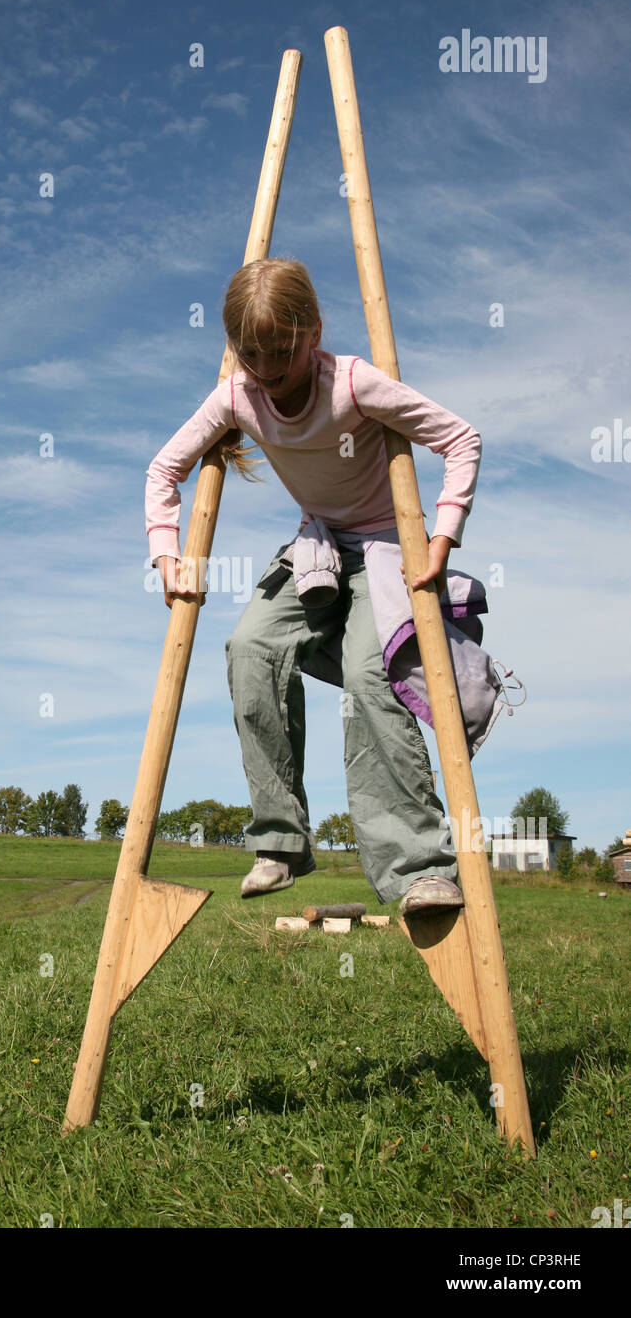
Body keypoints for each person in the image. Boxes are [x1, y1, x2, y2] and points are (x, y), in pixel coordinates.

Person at [145, 258, 481, 914]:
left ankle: (420, 870)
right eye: (252, 357)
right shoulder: (237, 394)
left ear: (314, 334)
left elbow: (460, 439)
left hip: (388, 548)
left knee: (369, 676)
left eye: (283, 356)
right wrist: (166, 552)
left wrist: (444, 534)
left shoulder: (354, 384)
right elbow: (164, 469)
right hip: (318, 551)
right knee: (249, 648)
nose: (269, 374)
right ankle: (282, 840)